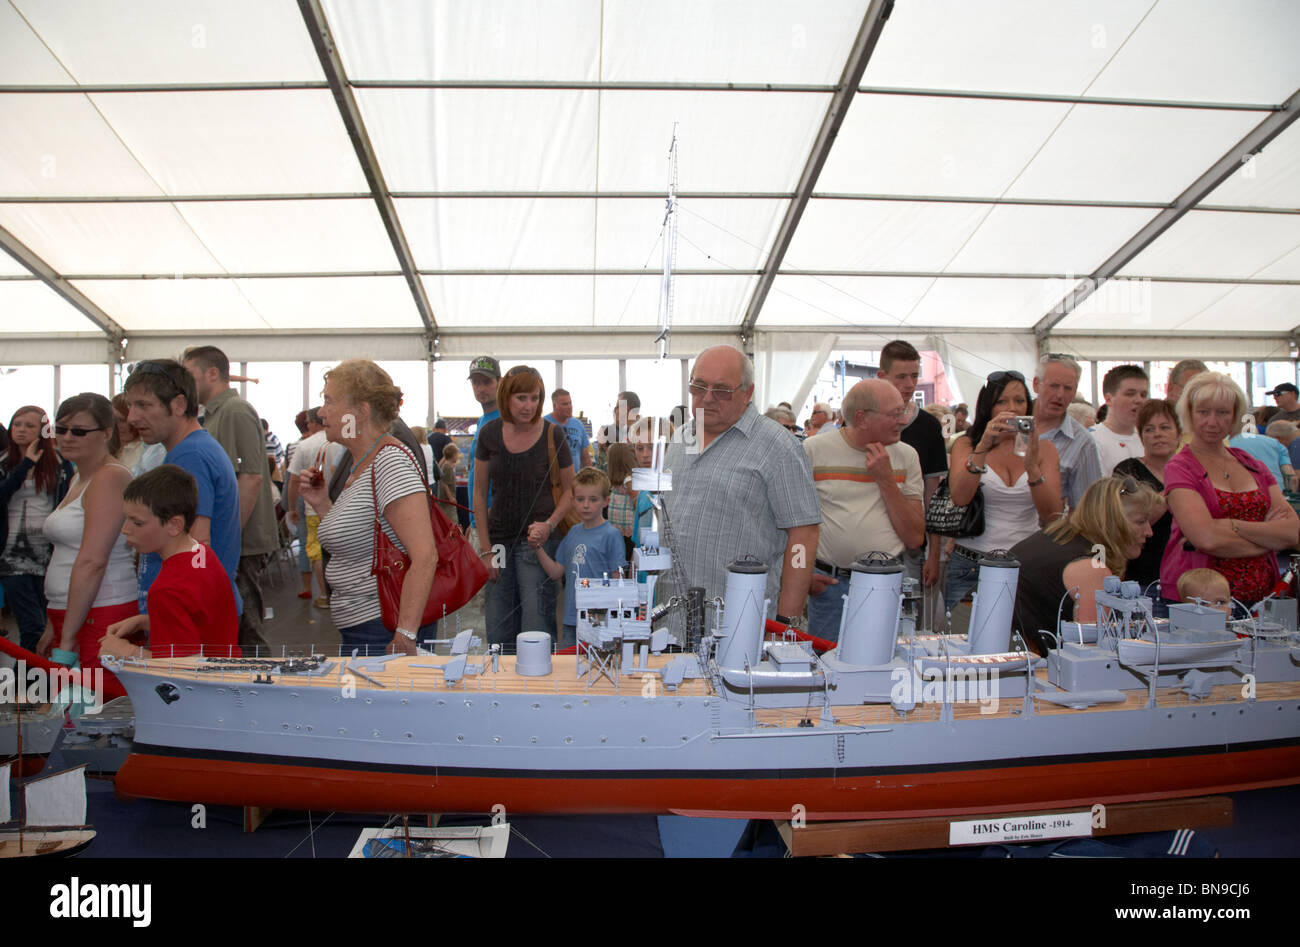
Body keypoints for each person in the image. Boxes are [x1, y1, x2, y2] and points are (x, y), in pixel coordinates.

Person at [663, 345, 821, 628]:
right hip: (671, 621)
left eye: (722, 390)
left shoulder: (778, 447)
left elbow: (803, 536)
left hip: (740, 627)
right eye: (699, 387)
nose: (707, 399)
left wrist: (785, 622)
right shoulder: (680, 440)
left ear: (747, 393)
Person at [301, 359, 438, 655]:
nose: (321, 412)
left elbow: (425, 556)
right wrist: (323, 503)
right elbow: (362, 537)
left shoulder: (388, 463)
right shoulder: (362, 462)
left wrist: (404, 636)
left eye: (329, 401)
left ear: (361, 411)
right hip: (365, 626)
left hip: (381, 630)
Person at [1162, 372, 1299, 608]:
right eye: (1203, 412)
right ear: (1190, 414)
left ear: (1235, 416)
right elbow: (1206, 539)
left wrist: (1232, 526)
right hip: (1200, 603)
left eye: (1223, 412)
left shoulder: (1251, 464)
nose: (1212, 422)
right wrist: (1269, 539)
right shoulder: (1180, 467)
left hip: (1263, 601)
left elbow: (1292, 532)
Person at [803, 379, 924, 642]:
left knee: (885, 670)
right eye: (895, 414)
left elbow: (915, 537)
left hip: (887, 584)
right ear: (862, 418)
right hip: (829, 586)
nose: (904, 420)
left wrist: (885, 479)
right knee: (827, 665)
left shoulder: (907, 456)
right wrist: (804, 577)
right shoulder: (812, 451)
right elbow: (792, 526)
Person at [123, 359, 243, 618]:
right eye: (130, 406)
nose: (132, 417)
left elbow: (198, 543)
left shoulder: (190, 456)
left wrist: (176, 615)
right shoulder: (192, 450)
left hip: (190, 613)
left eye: (144, 405)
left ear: (178, 405)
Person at [183, 345, 278, 654]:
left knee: (246, 626)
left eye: (189, 375)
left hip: (239, 541)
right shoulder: (215, 414)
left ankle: (262, 693)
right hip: (231, 539)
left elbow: (251, 476)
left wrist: (228, 537)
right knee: (235, 625)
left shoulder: (234, 411)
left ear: (213, 373)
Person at [474, 365, 574, 646]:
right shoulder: (489, 434)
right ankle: (501, 684)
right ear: (506, 396)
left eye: (534, 398)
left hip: (538, 546)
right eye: (521, 398)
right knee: (498, 625)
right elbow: (480, 495)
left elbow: (571, 490)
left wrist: (549, 524)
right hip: (499, 543)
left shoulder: (554, 435)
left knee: (536, 626)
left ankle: (537, 687)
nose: (529, 405)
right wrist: (485, 550)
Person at [946, 370, 1062, 613]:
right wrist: (983, 446)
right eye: (1002, 401)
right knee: (962, 640)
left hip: (1026, 563)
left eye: (1019, 401)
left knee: (1023, 643)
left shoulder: (1045, 449)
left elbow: (1052, 515)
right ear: (988, 407)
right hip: (971, 563)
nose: (1012, 409)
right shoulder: (967, 444)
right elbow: (959, 497)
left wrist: (1031, 467)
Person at [98, 465, 240, 661]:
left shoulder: (166, 591)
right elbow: (201, 620)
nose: (125, 529)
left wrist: (127, 652)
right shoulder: (201, 552)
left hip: (206, 688)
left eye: (137, 523)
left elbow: (183, 671)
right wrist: (148, 621)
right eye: (126, 519)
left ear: (174, 525)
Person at [36, 394, 136, 670]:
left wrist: (67, 638)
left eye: (79, 431)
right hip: (72, 613)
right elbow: (66, 555)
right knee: (74, 708)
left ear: (106, 433)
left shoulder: (109, 477)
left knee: (96, 708)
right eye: (60, 430)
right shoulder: (81, 476)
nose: (67, 437)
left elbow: (93, 561)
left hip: (100, 613)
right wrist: (52, 625)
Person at [1010, 475, 1160, 654]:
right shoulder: (1093, 568)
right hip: (1015, 659)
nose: (1149, 532)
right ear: (1114, 521)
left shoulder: (1056, 534)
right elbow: (1090, 653)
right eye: (1141, 522)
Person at [877, 341, 947, 599]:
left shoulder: (929, 426)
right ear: (882, 377)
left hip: (911, 548)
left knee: (907, 621)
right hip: (870, 541)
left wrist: (934, 554)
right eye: (901, 377)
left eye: (915, 376)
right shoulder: (862, 422)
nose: (909, 384)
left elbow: (933, 495)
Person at [0, 406, 73, 652]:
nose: (21, 430)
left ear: (43, 430)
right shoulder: (4, 464)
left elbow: (67, 501)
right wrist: (25, 465)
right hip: (10, 556)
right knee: (31, 624)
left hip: (48, 554)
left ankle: (35, 682)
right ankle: (31, 686)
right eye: (17, 424)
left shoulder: (60, 465)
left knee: (46, 624)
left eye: (29, 425)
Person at [534, 467, 627, 650]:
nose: (586, 505)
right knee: (571, 670)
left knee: (602, 667)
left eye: (593, 500)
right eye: (580, 499)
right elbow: (556, 572)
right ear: (573, 501)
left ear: (605, 501)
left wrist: (617, 618)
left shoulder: (612, 535)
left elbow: (619, 580)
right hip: (571, 619)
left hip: (599, 620)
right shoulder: (573, 533)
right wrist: (536, 548)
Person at [1114, 400, 1181, 594]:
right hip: (1142, 577)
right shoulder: (1128, 470)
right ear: (1142, 437)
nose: (1157, 434)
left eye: (1165, 427)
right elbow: (1126, 525)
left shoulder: (1193, 470)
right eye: (1149, 429)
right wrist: (1174, 490)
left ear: (1179, 434)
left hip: (1185, 575)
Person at [1032, 354, 1103, 511]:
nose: (1060, 395)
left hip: (1047, 532)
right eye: (1054, 386)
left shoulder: (1083, 443)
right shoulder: (1009, 427)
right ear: (1036, 384)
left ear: (1075, 391)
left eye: (1068, 388)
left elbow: (1086, 509)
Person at [284, 407, 338, 608]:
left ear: (315, 422)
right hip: (337, 505)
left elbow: (294, 480)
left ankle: (325, 596)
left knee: (316, 551)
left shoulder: (304, 446)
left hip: (312, 508)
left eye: (308, 422)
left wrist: (291, 507)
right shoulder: (339, 442)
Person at [465, 355, 501, 531]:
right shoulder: (482, 421)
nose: (481, 388)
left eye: (487, 382)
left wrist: (490, 513)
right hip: (478, 521)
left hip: (493, 524)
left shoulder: (504, 421)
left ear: (499, 382)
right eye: (476, 383)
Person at [1091, 365, 1149, 474]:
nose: (1139, 400)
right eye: (1130, 394)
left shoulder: (1148, 439)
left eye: (1143, 395)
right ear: (1108, 399)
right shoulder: (1091, 441)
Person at [545, 388, 593, 469]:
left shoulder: (578, 424)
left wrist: (591, 477)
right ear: (554, 406)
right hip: (551, 479)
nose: (569, 407)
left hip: (575, 479)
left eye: (570, 403)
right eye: (565, 404)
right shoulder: (544, 423)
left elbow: (585, 458)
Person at [436, 443, 460, 521]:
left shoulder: (446, 465)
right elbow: (445, 484)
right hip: (447, 500)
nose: (458, 456)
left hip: (446, 499)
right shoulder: (447, 467)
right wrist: (451, 498)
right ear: (453, 455)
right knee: (452, 519)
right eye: (457, 454)